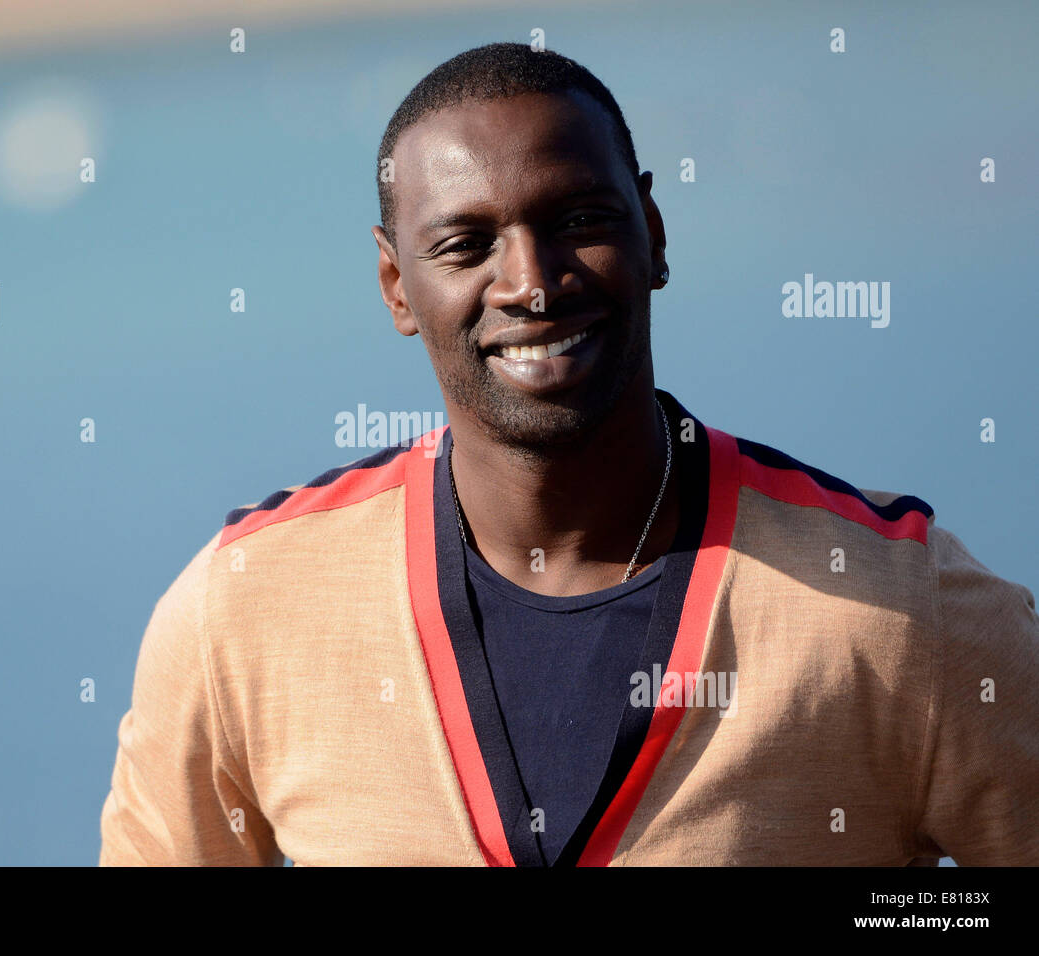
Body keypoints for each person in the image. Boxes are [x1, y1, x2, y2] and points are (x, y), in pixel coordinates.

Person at [99, 42, 1039, 866]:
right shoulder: (247, 609)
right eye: (466, 245)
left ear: (654, 234)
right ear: (397, 285)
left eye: (580, 222)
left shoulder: (891, 604)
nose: (532, 284)